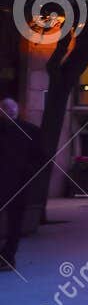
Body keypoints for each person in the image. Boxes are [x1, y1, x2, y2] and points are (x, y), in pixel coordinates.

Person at [1, 98, 40, 272]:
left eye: (12, 108)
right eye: (5, 109)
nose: (9, 111)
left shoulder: (30, 131)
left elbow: (40, 158)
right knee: (14, 221)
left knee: (15, 222)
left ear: (17, 110)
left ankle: (8, 256)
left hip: (18, 184)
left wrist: (28, 173)